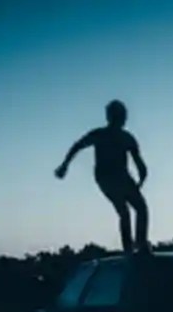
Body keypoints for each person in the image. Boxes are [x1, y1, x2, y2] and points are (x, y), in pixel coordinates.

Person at [55, 100, 150, 254]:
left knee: (133, 210)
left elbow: (140, 164)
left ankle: (137, 244)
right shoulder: (106, 135)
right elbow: (78, 146)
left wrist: (140, 180)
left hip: (115, 178)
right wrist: (64, 164)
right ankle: (133, 246)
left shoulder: (122, 137)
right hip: (109, 178)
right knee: (130, 210)